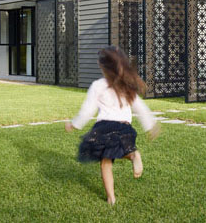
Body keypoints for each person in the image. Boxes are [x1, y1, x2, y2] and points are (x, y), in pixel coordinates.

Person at [65, 46, 160, 205]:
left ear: (104, 67)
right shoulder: (126, 84)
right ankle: (133, 155)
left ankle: (111, 198)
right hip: (125, 129)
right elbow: (140, 107)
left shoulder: (98, 85)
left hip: (104, 129)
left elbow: (88, 110)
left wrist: (74, 124)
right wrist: (150, 125)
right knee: (121, 150)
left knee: (105, 162)